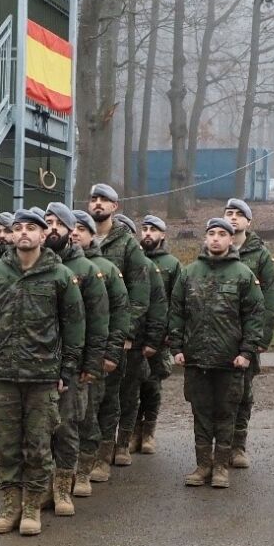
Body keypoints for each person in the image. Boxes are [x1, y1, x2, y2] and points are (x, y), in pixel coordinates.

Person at [0, 207, 84, 536]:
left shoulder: (59, 275)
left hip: (42, 377)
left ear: (42, 235)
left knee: (38, 445)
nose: (24, 232)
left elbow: (74, 325)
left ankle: (33, 508)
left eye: (31, 228)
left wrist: (67, 369)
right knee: (7, 445)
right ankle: (11, 507)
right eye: (18, 228)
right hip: (4, 376)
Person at [166, 217, 263, 489]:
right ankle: (202, 465)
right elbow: (176, 312)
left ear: (231, 240)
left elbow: (254, 316)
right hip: (196, 359)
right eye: (212, 234)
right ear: (205, 239)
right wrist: (177, 347)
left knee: (225, 413)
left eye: (222, 234)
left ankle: (221, 466)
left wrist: (246, 352)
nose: (217, 238)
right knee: (201, 413)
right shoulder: (188, 273)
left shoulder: (243, 275)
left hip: (229, 361)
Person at [43, 203, 109, 515]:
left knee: (68, 426)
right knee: (39, 429)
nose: (52, 228)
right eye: (48, 222)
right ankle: (42, 487)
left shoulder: (86, 271)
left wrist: (92, 364)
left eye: (59, 223)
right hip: (38, 363)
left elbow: (98, 323)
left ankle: (64, 487)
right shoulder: (33, 266)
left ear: (72, 232)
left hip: (73, 363)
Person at [86, 184, 152, 480]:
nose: (98, 204)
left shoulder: (127, 245)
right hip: (81, 336)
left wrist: (126, 335)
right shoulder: (78, 240)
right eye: (94, 199)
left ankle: (104, 453)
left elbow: (138, 296)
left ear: (116, 207)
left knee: (109, 397)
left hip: (113, 335)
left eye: (105, 200)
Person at [69, 210, 130, 496]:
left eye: (82, 229)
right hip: (59, 358)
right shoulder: (53, 265)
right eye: (73, 228)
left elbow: (118, 314)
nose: (75, 233)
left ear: (93, 235)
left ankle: (89, 465)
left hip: (92, 355)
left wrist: (110, 353)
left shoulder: (104, 269)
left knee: (89, 413)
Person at [221, 199, 274, 469]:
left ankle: (237, 446)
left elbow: (270, 299)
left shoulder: (260, 255)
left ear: (248, 222)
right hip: (216, 336)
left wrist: (261, 339)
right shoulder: (214, 249)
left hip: (247, 337)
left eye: (239, 215)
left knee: (243, 393)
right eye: (228, 214)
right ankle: (216, 447)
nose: (233, 219)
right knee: (215, 393)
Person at [113, 214, 166, 464]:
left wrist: (153, 340)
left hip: (138, 341)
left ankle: (134, 438)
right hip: (111, 340)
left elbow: (158, 305)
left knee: (138, 390)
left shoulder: (145, 265)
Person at [133, 214, 181, 455]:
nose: (148, 233)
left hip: (158, 337)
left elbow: (176, 301)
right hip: (136, 333)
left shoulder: (172, 264)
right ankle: (132, 431)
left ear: (163, 235)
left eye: (153, 230)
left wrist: (169, 333)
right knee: (132, 386)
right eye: (145, 229)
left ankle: (148, 431)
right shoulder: (135, 260)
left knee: (152, 385)